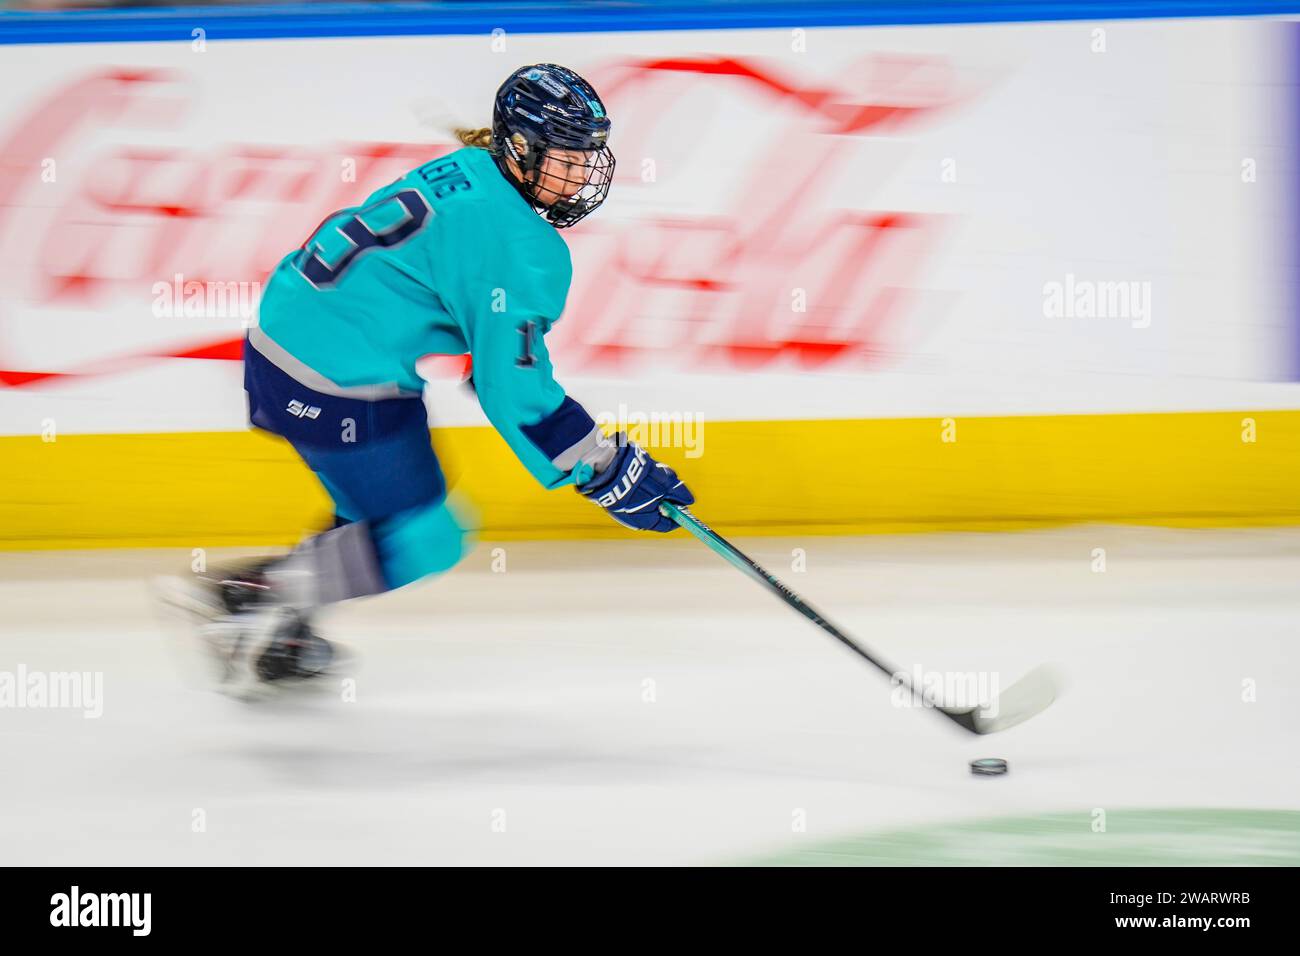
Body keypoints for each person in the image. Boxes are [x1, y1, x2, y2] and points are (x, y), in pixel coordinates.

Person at [163, 64, 695, 691]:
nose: (580, 174)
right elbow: (513, 390)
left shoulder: (472, 171)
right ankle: (250, 598)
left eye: (587, 156)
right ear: (521, 150)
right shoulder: (521, 242)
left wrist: (490, 350)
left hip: (289, 344)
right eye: (564, 158)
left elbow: (446, 286)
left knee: (375, 515)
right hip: (333, 377)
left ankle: (279, 618)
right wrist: (606, 469)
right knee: (426, 536)